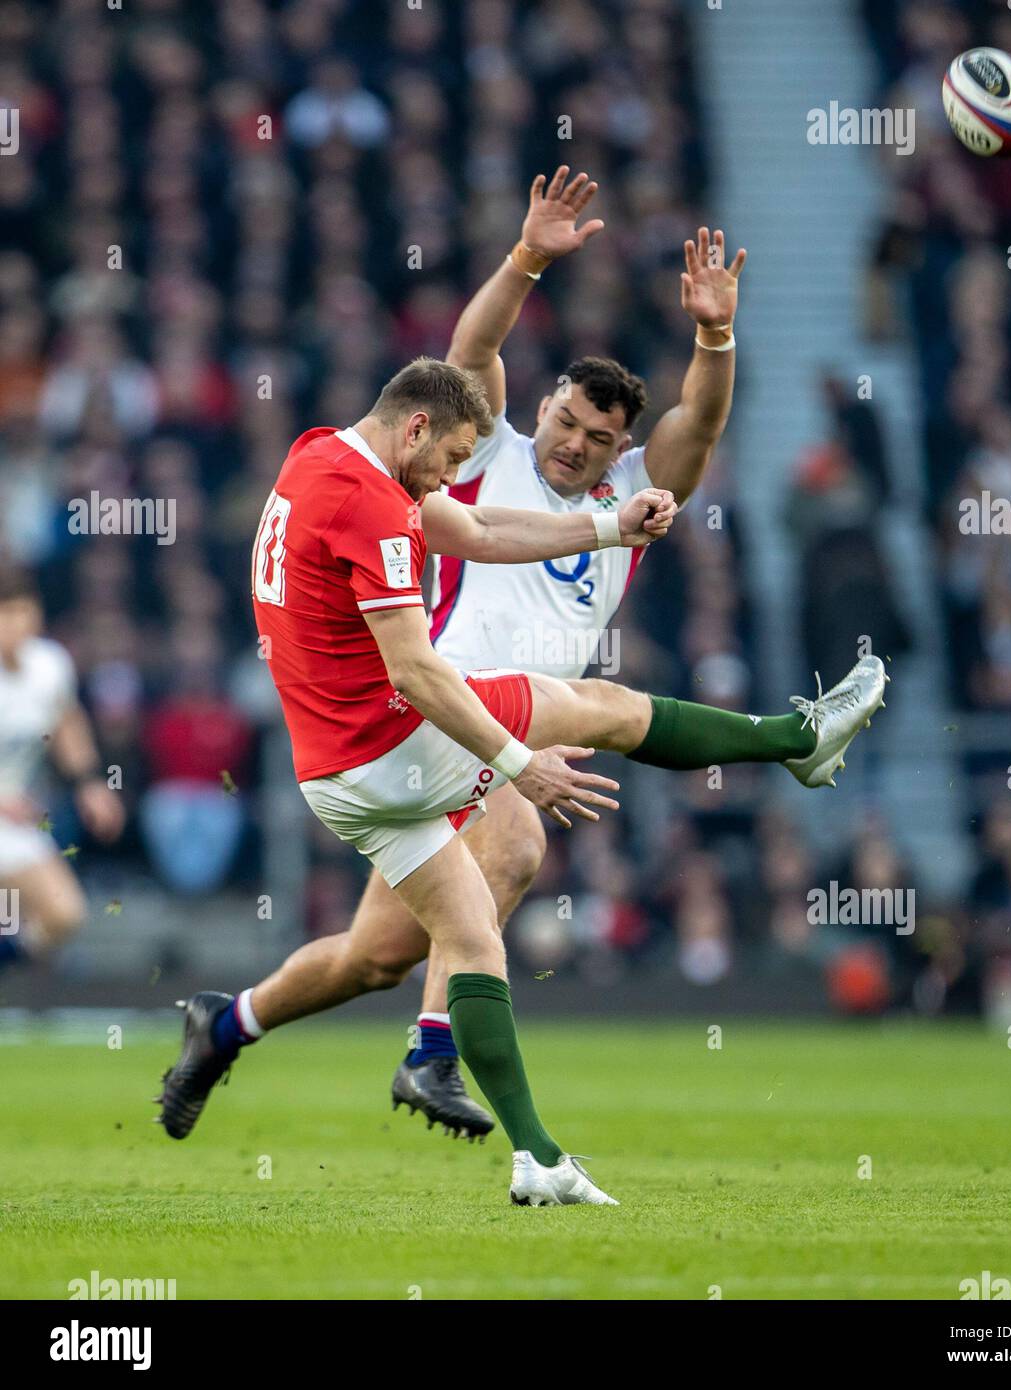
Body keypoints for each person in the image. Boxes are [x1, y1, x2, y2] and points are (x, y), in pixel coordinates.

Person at [157, 355, 888, 1208]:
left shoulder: (316, 455)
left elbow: (477, 533)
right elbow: (420, 675)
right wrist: (519, 764)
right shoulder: (372, 505)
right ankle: (795, 739)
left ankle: (519, 1150)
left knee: (434, 945)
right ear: (420, 429)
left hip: (336, 772)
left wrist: (609, 529)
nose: (449, 478)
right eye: (448, 458)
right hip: (401, 737)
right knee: (593, 711)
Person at [0, 566, 125, 975]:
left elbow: (66, 723)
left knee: (64, 914)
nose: (17, 624)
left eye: (23, 611)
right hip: (7, 807)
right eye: (6, 613)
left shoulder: (48, 664)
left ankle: (9, 965)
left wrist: (90, 785)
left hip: (14, 820)